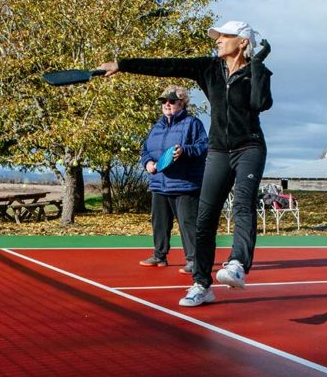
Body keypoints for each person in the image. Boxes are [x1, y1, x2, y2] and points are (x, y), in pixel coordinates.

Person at [99, 20, 272, 306]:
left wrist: (256, 67)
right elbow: (169, 65)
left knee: (242, 204)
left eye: (223, 36)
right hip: (218, 150)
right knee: (204, 219)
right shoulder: (208, 69)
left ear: (241, 42)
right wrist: (122, 64)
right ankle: (202, 284)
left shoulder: (257, 71)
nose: (217, 40)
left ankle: (238, 264)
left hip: (249, 147)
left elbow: (260, 103)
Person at [138, 85, 208, 273]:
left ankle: (194, 261)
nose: (166, 104)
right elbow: (145, 150)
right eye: (163, 101)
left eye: (171, 101)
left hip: (185, 185)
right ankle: (159, 256)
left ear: (182, 103)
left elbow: (203, 147)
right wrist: (147, 163)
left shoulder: (193, 124)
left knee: (188, 224)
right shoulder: (156, 126)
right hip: (159, 184)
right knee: (159, 222)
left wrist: (185, 151)